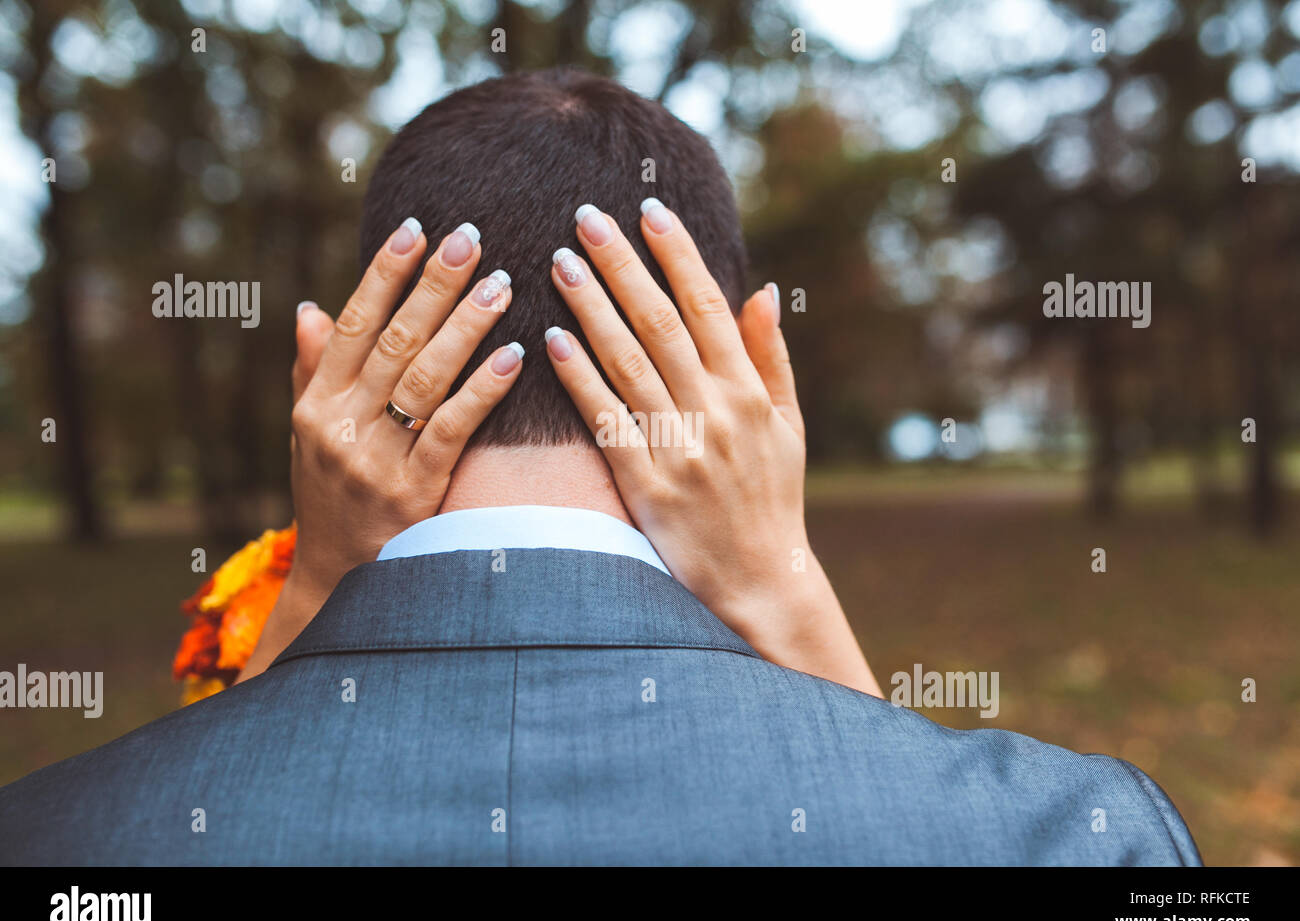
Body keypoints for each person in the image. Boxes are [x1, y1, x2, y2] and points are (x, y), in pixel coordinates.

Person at [0, 68, 1199, 865]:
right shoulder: (1074, 836)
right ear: (739, 364)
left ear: (338, 366)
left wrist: (315, 587)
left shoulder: (58, 839)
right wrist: (786, 585)